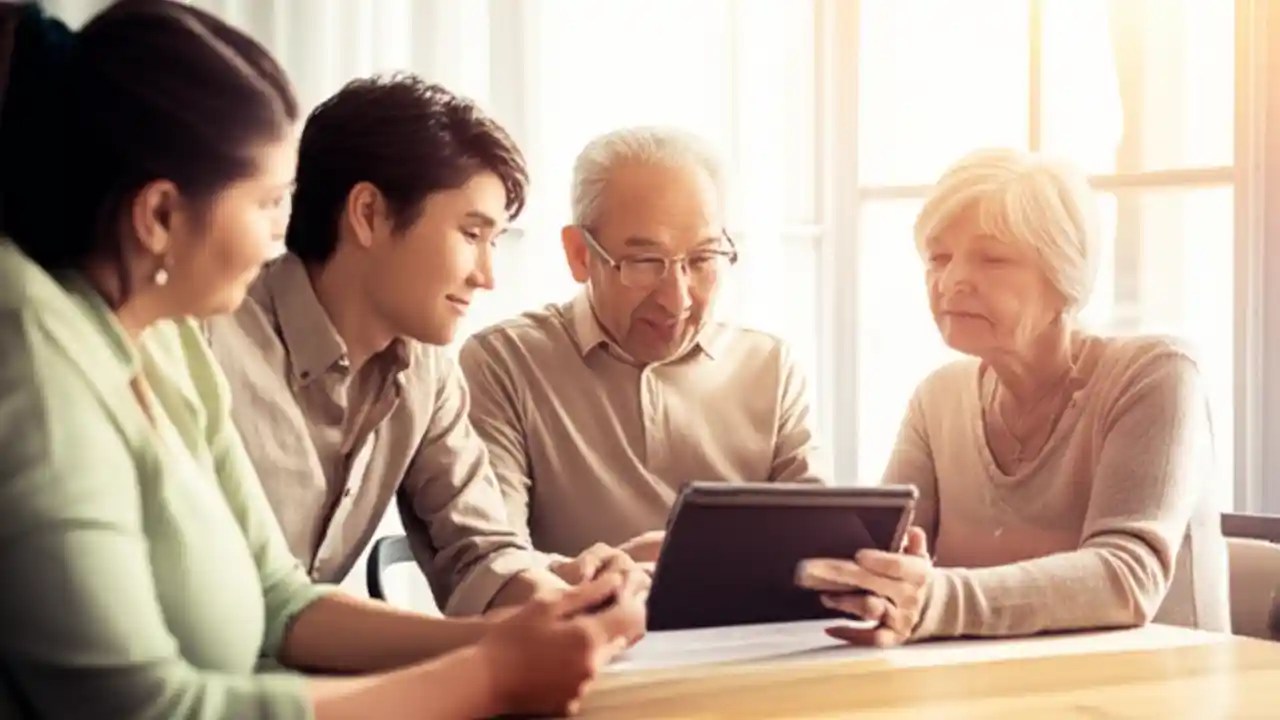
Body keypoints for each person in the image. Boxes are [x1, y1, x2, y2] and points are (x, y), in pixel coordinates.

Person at [0, 3, 643, 718]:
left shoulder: (168, 338)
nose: (278, 231)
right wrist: (487, 672)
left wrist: (506, 634)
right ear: (158, 217)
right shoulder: (43, 352)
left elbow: (279, 595)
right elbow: (143, 708)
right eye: (268, 203)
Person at [206, 75, 635, 615]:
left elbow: (479, 552)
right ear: (368, 214)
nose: (487, 276)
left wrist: (571, 593)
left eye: (495, 242)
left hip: (315, 679)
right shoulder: (208, 339)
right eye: (472, 234)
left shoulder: (425, 371)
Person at [796, 148, 1229, 645]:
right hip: (984, 688)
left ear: (1064, 276)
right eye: (939, 257)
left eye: (993, 258)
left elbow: (1127, 577)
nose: (951, 280)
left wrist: (936, 599)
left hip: (1153, 691)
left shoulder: (1155, 375)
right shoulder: (938, 399)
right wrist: (879, 585)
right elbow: (887, 565)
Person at [459, 126, 826, 560]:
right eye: (645, 262)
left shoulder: (770, 367)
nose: (678, 299)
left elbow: (818, 547)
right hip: (584, 626)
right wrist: (623, 574)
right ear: (580, 254)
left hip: (743, 628)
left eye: (703, 259)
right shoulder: (506, 363)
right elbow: (494, 566)